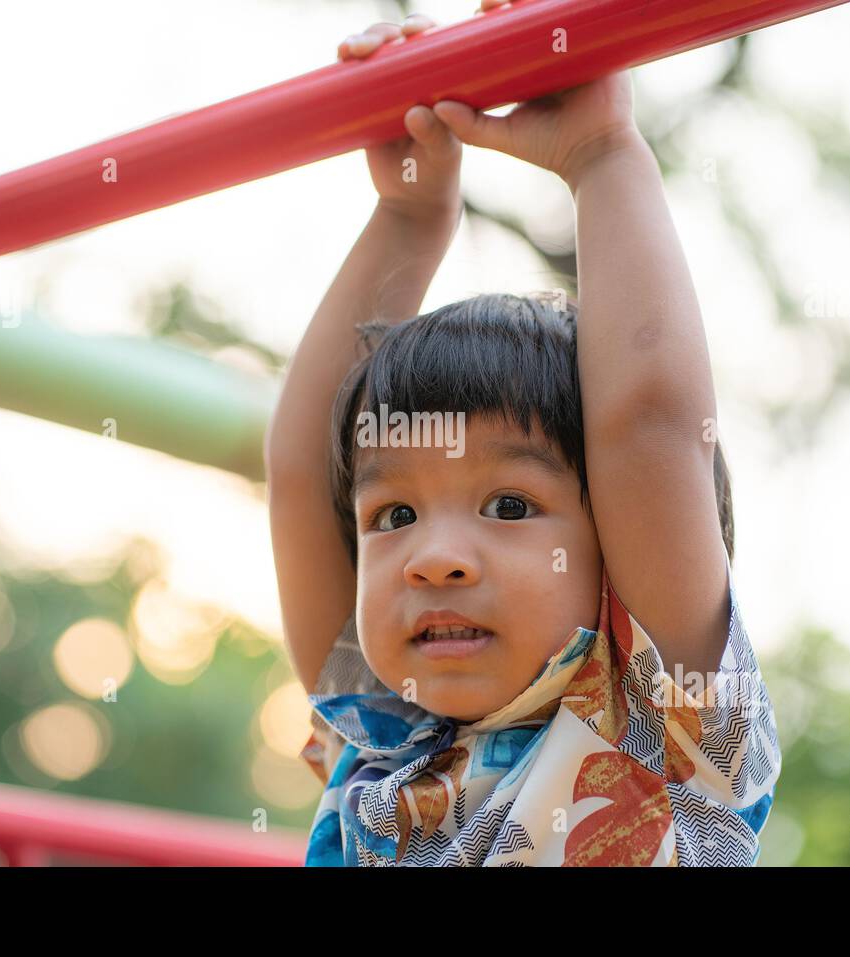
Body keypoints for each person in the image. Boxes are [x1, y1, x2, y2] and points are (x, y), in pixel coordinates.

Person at [264, 7, 780, 866]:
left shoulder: (661, 727)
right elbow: (302, 472)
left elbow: (649, 431)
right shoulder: (382, 732)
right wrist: (408, 217)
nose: (434, 557)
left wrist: (600, 155)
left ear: (620, 546)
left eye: (509, 503)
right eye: (394, 515)